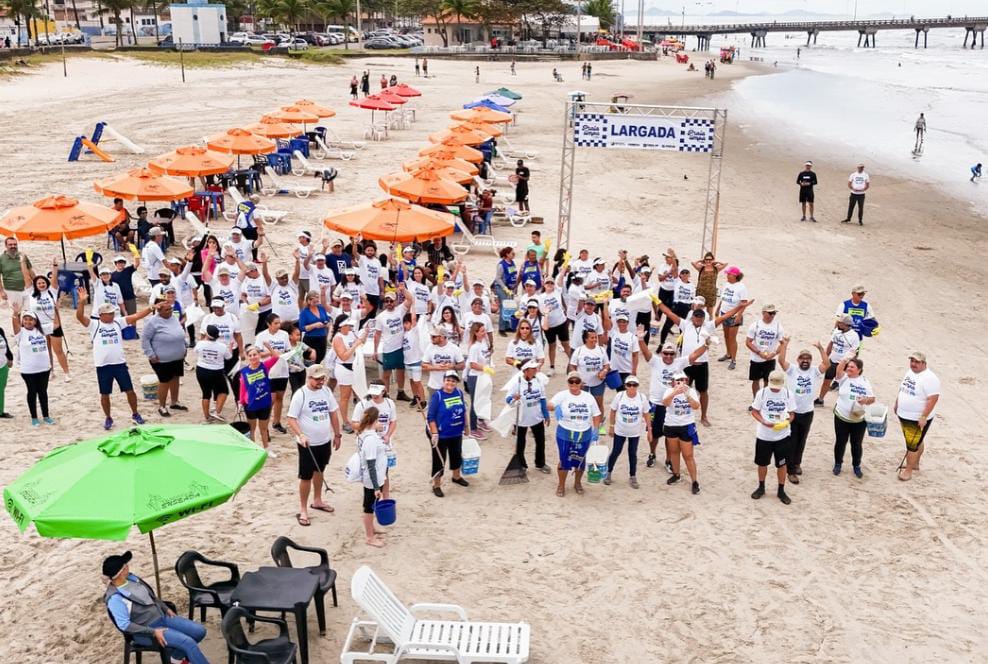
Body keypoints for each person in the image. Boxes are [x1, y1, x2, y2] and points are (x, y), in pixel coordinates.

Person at [103, 551, 209, 664]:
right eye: (125, 566)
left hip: (161, 616)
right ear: (121, 572)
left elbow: (151, 597)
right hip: (146, 631)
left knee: (199, 631)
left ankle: (176, 658)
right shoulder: (115, 599)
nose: (128, 567)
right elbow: (125, 625)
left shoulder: (132, 579)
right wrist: (153, 632)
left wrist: (165, 608)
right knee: (188, 643)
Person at [74, 287, 151, 430]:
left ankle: (135, 413)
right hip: (103, 366)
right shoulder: (94, 324)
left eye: (113, 313)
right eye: (109, 314)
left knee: (130, 390)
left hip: (119, 363)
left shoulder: (118, 322)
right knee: (105, 394)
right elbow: (79, 317)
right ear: (101, 315)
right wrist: (81, 302)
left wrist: (151, 308)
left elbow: (136, 316)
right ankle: (108, 417)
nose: (112, 315)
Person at [287, 364, 342, 526]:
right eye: (317, 379)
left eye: (322, 378)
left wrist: (337, 435)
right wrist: (301, 435)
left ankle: (317, 500)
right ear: (309, 378)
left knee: (320, 470)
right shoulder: (301, 395)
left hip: (324, 440)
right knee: (306, 476)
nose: (321, 381)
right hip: (307, 444)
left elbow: (333, 412)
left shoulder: (326, 391)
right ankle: (303, 509)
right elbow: (291, 418)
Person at [777, 339, 829, 483]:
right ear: (798, 360)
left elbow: (827, 364)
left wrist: (820, 348)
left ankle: (797, 463)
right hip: (792, 412)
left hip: (808, 411)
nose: (805, 361)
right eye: (803, 358)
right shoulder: (792, 369)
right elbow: (781, 361)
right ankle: (790, 471)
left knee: (802, 440)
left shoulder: (814, 371)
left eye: (808, 359)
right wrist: (784, 345)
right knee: (792, 441)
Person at [548, 372, 602, 497]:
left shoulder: (588, 397)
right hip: (565, 432)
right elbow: (550, 405)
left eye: (576, 381)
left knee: (580, 460)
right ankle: (561, 485)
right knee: (564, 460)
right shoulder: (562, 395)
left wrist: (596, 429)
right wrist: (554, 408)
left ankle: (577, 483)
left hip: (584, 433)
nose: (574, 384)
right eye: (571, 382)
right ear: (567, 383)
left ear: (581, 383)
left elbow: (596, 414)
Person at [750, 370, 796, 505]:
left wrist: (786, 422)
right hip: (764, 436)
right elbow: (755, 411)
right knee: (762, 463)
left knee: (782, 464)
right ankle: (761, 487)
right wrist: (763, 421)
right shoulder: (762, 393)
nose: (775, 390)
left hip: (782, 436)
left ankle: (781, 490)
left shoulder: (788, 394)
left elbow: (792, 413)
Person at [893, 351, 940, 481]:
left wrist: (924, 416)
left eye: (917, 362)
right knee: (918, 440)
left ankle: (908, 470)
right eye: (912, 361)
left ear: (924, 363)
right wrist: (897, 402)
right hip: (905, 414)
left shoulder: (930, 378)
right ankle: (916, 464)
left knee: (912, 445)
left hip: (916, 417)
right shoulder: (910, 372)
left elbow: (933, 399)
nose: (913, 364)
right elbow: (903, 388)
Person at [141, 297, 187, 418]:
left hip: (177, 356)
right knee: (164, 381)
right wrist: (150, 354)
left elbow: (180, 333)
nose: (170, 311)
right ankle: (162, 406)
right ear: (159, 310)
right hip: (161, 359)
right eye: (166, 310)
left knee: (176, 378)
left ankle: (174, 402)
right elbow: (145, 339)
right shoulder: (152, 322)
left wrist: (184, 347)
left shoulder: (173, 318)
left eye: (170, 309)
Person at [427, 370, 469, 497]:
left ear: (456, 383)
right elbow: (431, 417)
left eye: (453, 381)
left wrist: (466, 426)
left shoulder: (459, 393)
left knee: (456, 454)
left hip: (456, 432)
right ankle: (437, 484)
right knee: (439, 460)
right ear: (444, 381)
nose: (450, 383)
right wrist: (434, 434)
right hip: (441, 434)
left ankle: (456, 476)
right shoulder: (437, 396)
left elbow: (464, 411)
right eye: (448, 380)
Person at [832, 356, 876, 478]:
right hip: (841, 416)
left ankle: (856, 465)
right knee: (840, 442)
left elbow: (872, 399)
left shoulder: (865, 382)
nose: (849, 368)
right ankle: (838, 464)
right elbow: (839, 369)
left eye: (852, 367)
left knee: (856, 443)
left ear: (859, 370)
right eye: (849, 366)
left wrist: (865, 400)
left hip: (858, 419)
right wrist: (846, 359)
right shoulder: (844, 378)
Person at [605, 375, 651, 489]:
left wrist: (649, 429)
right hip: (620, 430)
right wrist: (611, 426)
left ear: (637, 386)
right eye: (629, 385)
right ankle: (608, 472)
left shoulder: (642, 398)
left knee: (632, 453)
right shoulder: (620, 396)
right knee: (616, 451)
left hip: (635, 432)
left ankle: (633, 475)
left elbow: (646, 413)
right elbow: (613, 411)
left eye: (634, 385)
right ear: (625, 386)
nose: (631, 387)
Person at [11, 305, 54, 426]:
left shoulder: (41, 330)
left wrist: (56, 310)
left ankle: (46, 416)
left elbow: (56, 325)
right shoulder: (21, 333)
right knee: (32, 392)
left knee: (43, 392)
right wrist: (15, 314)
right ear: (22, 321)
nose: (28, 321)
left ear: (35, 321)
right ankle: (34, 417)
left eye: (31, 319)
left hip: (44, 368)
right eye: (25, 319)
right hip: (28, 370)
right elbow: (14, 324)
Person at [504, 360, 550, 473]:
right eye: (533, 368)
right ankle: (521, 465)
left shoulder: (539, 381)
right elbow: (508, 399)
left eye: (536, 368)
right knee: (520, 443)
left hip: (536, 417)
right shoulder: (517, 383)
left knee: (540, 441)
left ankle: (540, 463)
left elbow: (542, 399)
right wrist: (514, 398)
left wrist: (546, 414)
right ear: (526, 370)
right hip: (521, 418)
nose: (536, 370)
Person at [26, 268, 71, 382]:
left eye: (43, 282)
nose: (41, 285)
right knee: (46, 351)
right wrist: (23, 263)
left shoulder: (52, 291)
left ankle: (66, 372)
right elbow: (26, 277)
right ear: (35, 285)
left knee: (58, 350)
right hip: (39, 326)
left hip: (53, 325)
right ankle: (51, 371)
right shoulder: (31, 293)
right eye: (39, 283)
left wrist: (54, 266)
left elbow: (54, 278)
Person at [354, 405, 390, 547]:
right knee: (369, 507)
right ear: (375, 420)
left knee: (372, 505)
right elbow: (370, 464)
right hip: (372, 479)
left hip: (376, 475)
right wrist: (376, 486)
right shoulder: (370, 439)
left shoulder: (365, 433)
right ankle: (369, 537)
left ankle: (372, 529)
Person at [661, 371, 701, 494]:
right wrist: (675, 392)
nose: (681, 382)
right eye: (678, 380)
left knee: (688, 455)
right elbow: (665, 403)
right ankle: (676, 474)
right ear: (673, 382)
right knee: (674, 452)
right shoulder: (669, 391)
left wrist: (687, 395)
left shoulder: (691, 391)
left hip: (686, 425)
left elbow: (696, 406)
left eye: (683, 380)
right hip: (671, 425)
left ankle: (694, 481)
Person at [255, 314, 292, 433]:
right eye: (275, 323)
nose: (278, 325)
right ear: (268, 324)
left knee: (280, 398)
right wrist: (271, 352)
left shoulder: (284, 335)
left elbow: (288, 350)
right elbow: (258, 354)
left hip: (282, 370)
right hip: (268, 371)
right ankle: (264, 425)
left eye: (279, 323)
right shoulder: (262, 336)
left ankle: (276, 422)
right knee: (269, 399)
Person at [331, 316, 368, 433]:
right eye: (348, 325)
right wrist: (355, 345)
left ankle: (360, 419)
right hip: (344, 368)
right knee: (345, 397)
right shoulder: (338, 338)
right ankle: (345, 421)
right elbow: (343, 356)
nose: (350, 327)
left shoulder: (351, 333)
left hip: (355, 366)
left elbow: (361, 342)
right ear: (342, 326)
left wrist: (365, 333)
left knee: (361, 393)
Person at [816, 313, 859, 406]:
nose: (838, 324)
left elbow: (855, 352)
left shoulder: (854, 336)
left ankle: (844, 404)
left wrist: (851, 366)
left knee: (845, 386)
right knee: (826, 381)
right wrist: (825, 358)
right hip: (832, 361)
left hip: (844, 365)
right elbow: (830, 344)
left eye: (840, 323)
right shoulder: (836, 331)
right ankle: (820, 399)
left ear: (846, 325)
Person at [374, 289, 409, 400]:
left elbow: (410, 299)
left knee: (401, 370)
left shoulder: (400, 310)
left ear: (395, 301)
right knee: (386, 373)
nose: (389, 303)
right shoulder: (380, 317)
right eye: (386, 301)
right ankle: (386, 394)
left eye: (391, 301)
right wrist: (375, 351)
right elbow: (377, 334)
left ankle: (401, 392)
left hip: (400, 346)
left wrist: (403, 290)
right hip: (388, 348)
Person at [745, 304, 785, 399]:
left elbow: (782, 343)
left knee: (768, 381)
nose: (772, 315)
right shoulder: (755, 325)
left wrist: (774, 354)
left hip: (770, 359)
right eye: (770, 313)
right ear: (763, 313)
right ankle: (756, 400)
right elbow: (748, 342)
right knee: (755, 380)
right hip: (756, 358)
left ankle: (765, 400)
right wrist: (759, 352)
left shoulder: (778, 326)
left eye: (774, 313)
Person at [715, 266, 750, 370]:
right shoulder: (726, 284)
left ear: (734, 276)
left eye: (729, 274)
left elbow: (744, 303)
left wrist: (739, 316)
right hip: (724, 312)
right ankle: (728, 354)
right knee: (726, 336)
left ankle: (733, 360)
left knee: (732, 338)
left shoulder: (741, 287)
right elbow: (723, 298)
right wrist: (718, 308)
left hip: (734, 315)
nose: (727, 276)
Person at [569, 329, 609, 413]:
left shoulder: (601, 350)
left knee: (599, 405)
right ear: (586, 339)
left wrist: (604, 371)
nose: (594, 339)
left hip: (598, 383)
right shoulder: (579, 351)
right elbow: (572, 365)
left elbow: (606, 364)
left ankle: (600, 425)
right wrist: (577, 380)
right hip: (583, 384)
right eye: (592, 338)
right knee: (582, 405)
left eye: (595, 337)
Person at [464, 322, 492, 439]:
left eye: (484, 330)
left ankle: (480, 420)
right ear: (476, 333)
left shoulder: (484, 344)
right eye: (481, 331)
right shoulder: (474, 347)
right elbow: (472, 364)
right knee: (475, 402)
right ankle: (473, 429)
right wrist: (484, 368)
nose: (484, 333)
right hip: (475, 376)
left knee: (483, 398)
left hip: (483, 376)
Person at [299, 289, 331, 363]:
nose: (316, 303)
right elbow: (302, 328)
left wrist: (326, 324)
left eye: (317, 301)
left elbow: (327, 320)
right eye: (314, 302)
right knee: (310, 361)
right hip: (310, 339)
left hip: (322, 337)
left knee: (320, 358)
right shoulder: (304, 312)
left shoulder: (321, 308)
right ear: (308, 301)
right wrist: (314, 325)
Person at [0, 236, 33, 307]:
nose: (13, 246)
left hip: (27, 288)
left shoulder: (23, 256)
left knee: (30, 312)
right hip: (11, 290)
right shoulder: (1, 259)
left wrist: (36, 283)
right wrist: (1, 291)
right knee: (16, 313)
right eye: (10, 244)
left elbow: (30, 270)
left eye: (15, 244)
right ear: (6, 246)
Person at [493, 247, 518, 336]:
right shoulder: (501, 265)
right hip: (502, 288)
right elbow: (498, 278)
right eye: (512, 253)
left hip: (510, 289)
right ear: (507, 254)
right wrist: (505, 288)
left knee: (509, 307)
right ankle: (501, 328)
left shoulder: (512, 263)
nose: (513, 254)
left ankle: (507, 326)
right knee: (504, 307)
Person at [691, 252, 725, 319]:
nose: (708, 261)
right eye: (707, 259)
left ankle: (709, 327)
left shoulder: (716, 269)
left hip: (711, 294)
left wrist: (716, 262)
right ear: (705, 260)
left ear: (713, 260)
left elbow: (725, 264)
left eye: (710, 259)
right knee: (699, 311)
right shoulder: (701, 268)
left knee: (710, 313)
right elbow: (692, 263)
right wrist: (701, 261)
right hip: (701, 293)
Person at [0, 323, 11, 418]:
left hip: (3, 365)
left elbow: (6, 345)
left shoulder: (0, 330)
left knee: (1, 388)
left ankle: (0, 411)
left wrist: (10, 358)